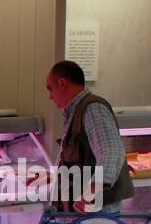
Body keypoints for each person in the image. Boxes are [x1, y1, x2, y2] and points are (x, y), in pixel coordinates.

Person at [44, 60, 133, 213]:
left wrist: (91, 191)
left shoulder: (92, 109)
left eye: (50, 89)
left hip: (96, 214)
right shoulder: (77, 112)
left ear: (62, 83)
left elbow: (112, 152)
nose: (50, 97)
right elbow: (81, 161)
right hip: (84, 213)